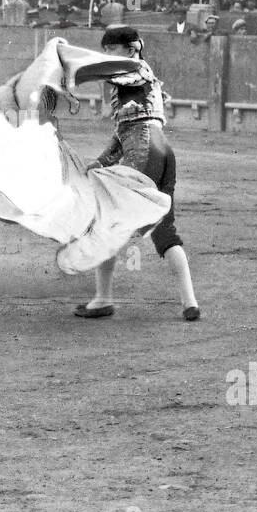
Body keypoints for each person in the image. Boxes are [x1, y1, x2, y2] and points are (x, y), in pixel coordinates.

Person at [77, 26, 200, 323]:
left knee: (105, 220)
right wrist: (101, 161)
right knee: (163, 229)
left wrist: (70, 71)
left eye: (111, 50)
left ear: (131, 48)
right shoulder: (146, 79)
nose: (107, 56)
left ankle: (103, 299)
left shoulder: (134, 68)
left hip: (143, 149)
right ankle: (190, 303)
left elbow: (132, 129)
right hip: (162, 150)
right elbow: (127, 132)